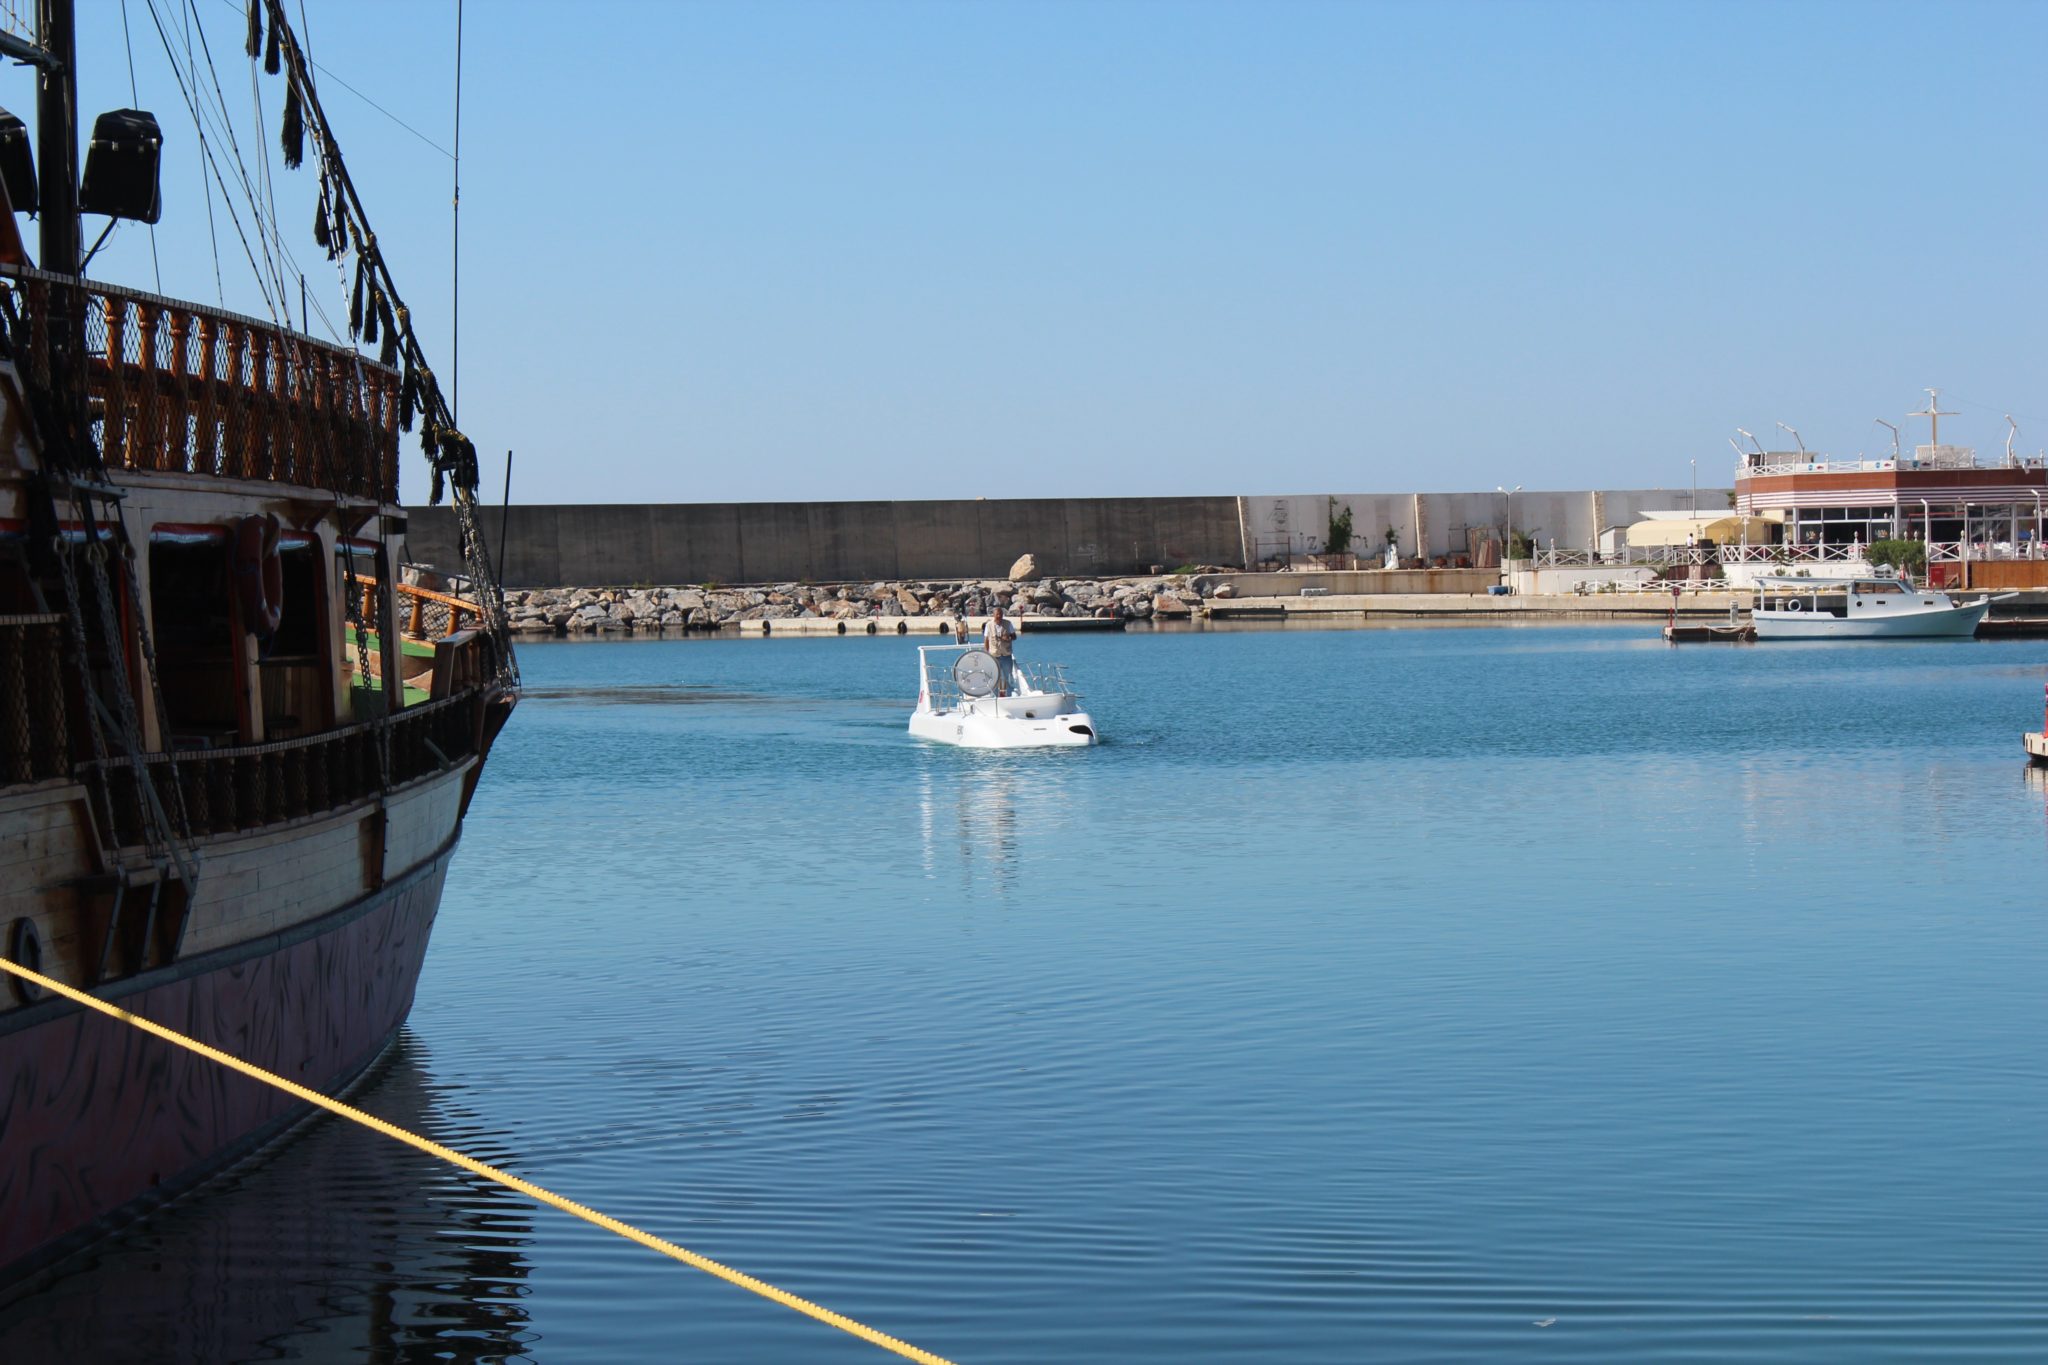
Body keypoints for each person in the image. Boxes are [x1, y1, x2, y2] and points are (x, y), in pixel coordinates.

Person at [983, 604, 1018, 696]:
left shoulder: (1008, 623)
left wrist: (1008, 637)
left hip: (1006, 656)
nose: (999, 616)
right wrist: (987, 654)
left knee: (1008, 677)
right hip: (994, 656)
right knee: (994, 677)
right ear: (993, 615)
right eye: (997, 614)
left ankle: (1008, 695)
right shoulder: (989, 625)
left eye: (1001, 614)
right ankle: (994, 697)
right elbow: (986, 640)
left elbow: (1014, 637)